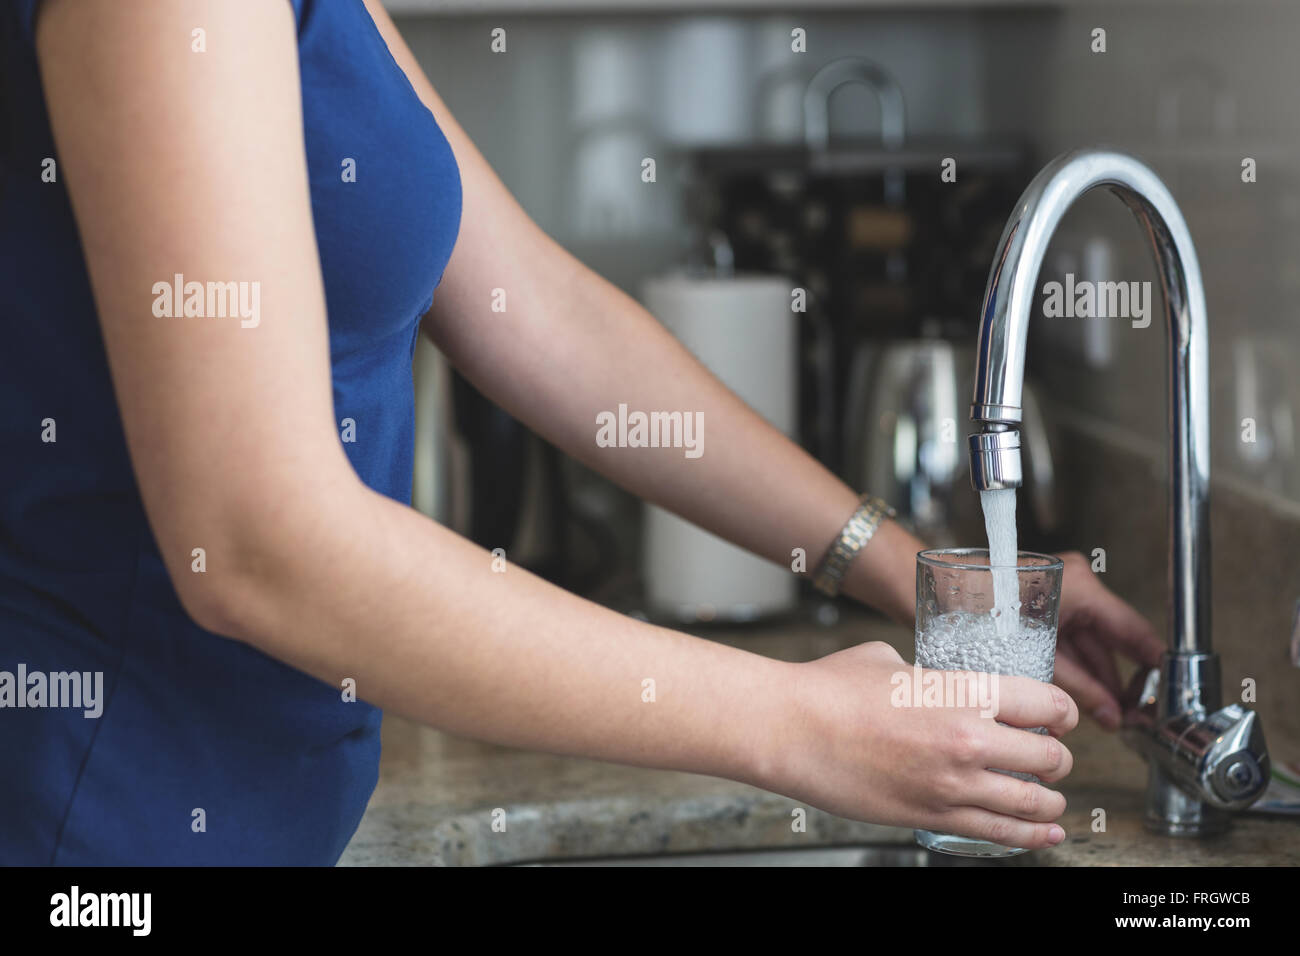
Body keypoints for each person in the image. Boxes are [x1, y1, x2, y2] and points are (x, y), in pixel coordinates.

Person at [0, 0, 1164, 865]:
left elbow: (534, 312)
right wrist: (791, 719)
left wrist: (916, 577)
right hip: (108, 822)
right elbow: (258, 543)